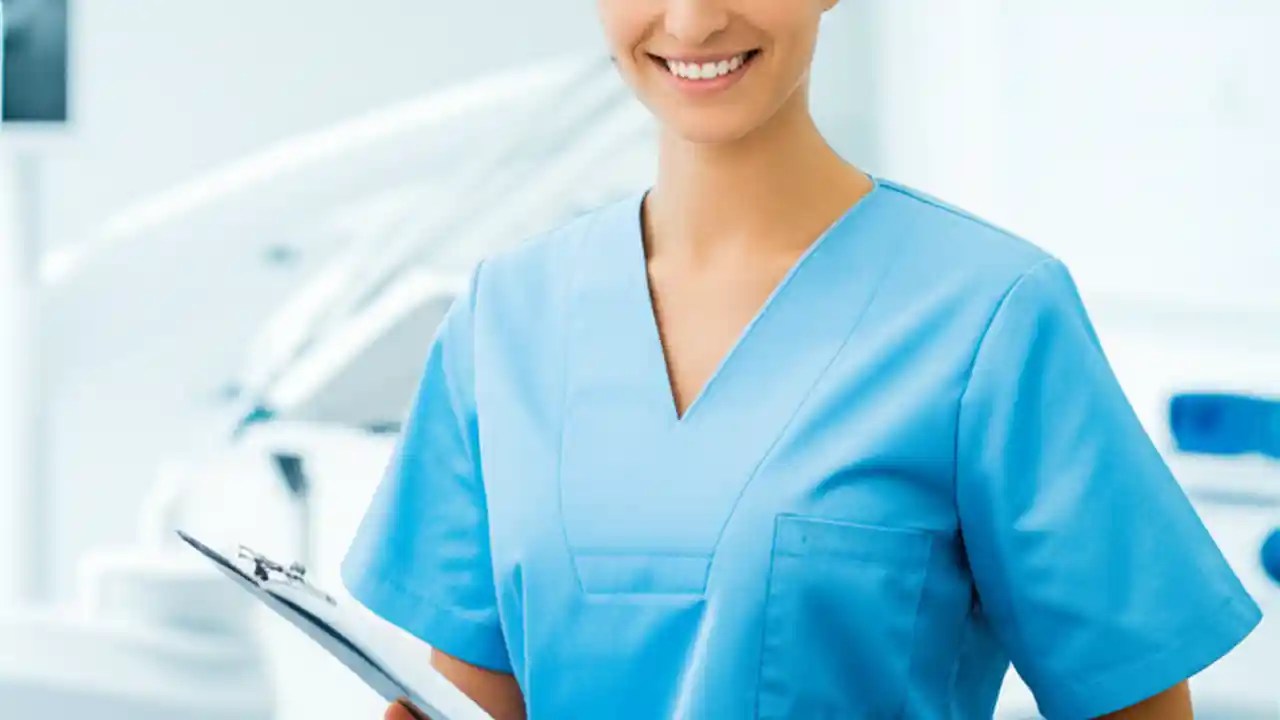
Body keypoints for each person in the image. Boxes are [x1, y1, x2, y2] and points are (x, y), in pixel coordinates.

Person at [342, 1, 1263, 718]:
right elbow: (471, 704)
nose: (694, 21)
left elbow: (1132, 702)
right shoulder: (504, 320)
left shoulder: (988, 319)